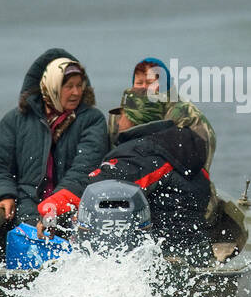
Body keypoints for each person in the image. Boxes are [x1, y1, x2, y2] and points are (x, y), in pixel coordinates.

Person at [0, 48, 108, 225]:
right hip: (26, 208)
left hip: (73, 208)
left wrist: (55, 206)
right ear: (52, 86)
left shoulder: (92, 120)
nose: (76, 92)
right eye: (69, 86)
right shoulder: (16, 120)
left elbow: (85, 167)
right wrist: (4, 195)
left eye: (79, 85)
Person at [90, 99, 213, 262]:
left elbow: (96, 188)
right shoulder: (185, 146)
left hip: (165, 259)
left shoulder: (139, 153)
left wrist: (52, 210)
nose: (118, 121)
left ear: (136, 117)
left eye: (122, 115)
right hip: (200, 252)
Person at [116, 57, 217, 171]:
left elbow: (200, 157)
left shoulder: (186, 114)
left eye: (150, 83)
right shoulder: (123, 114)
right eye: (139, 83)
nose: (144, 87)